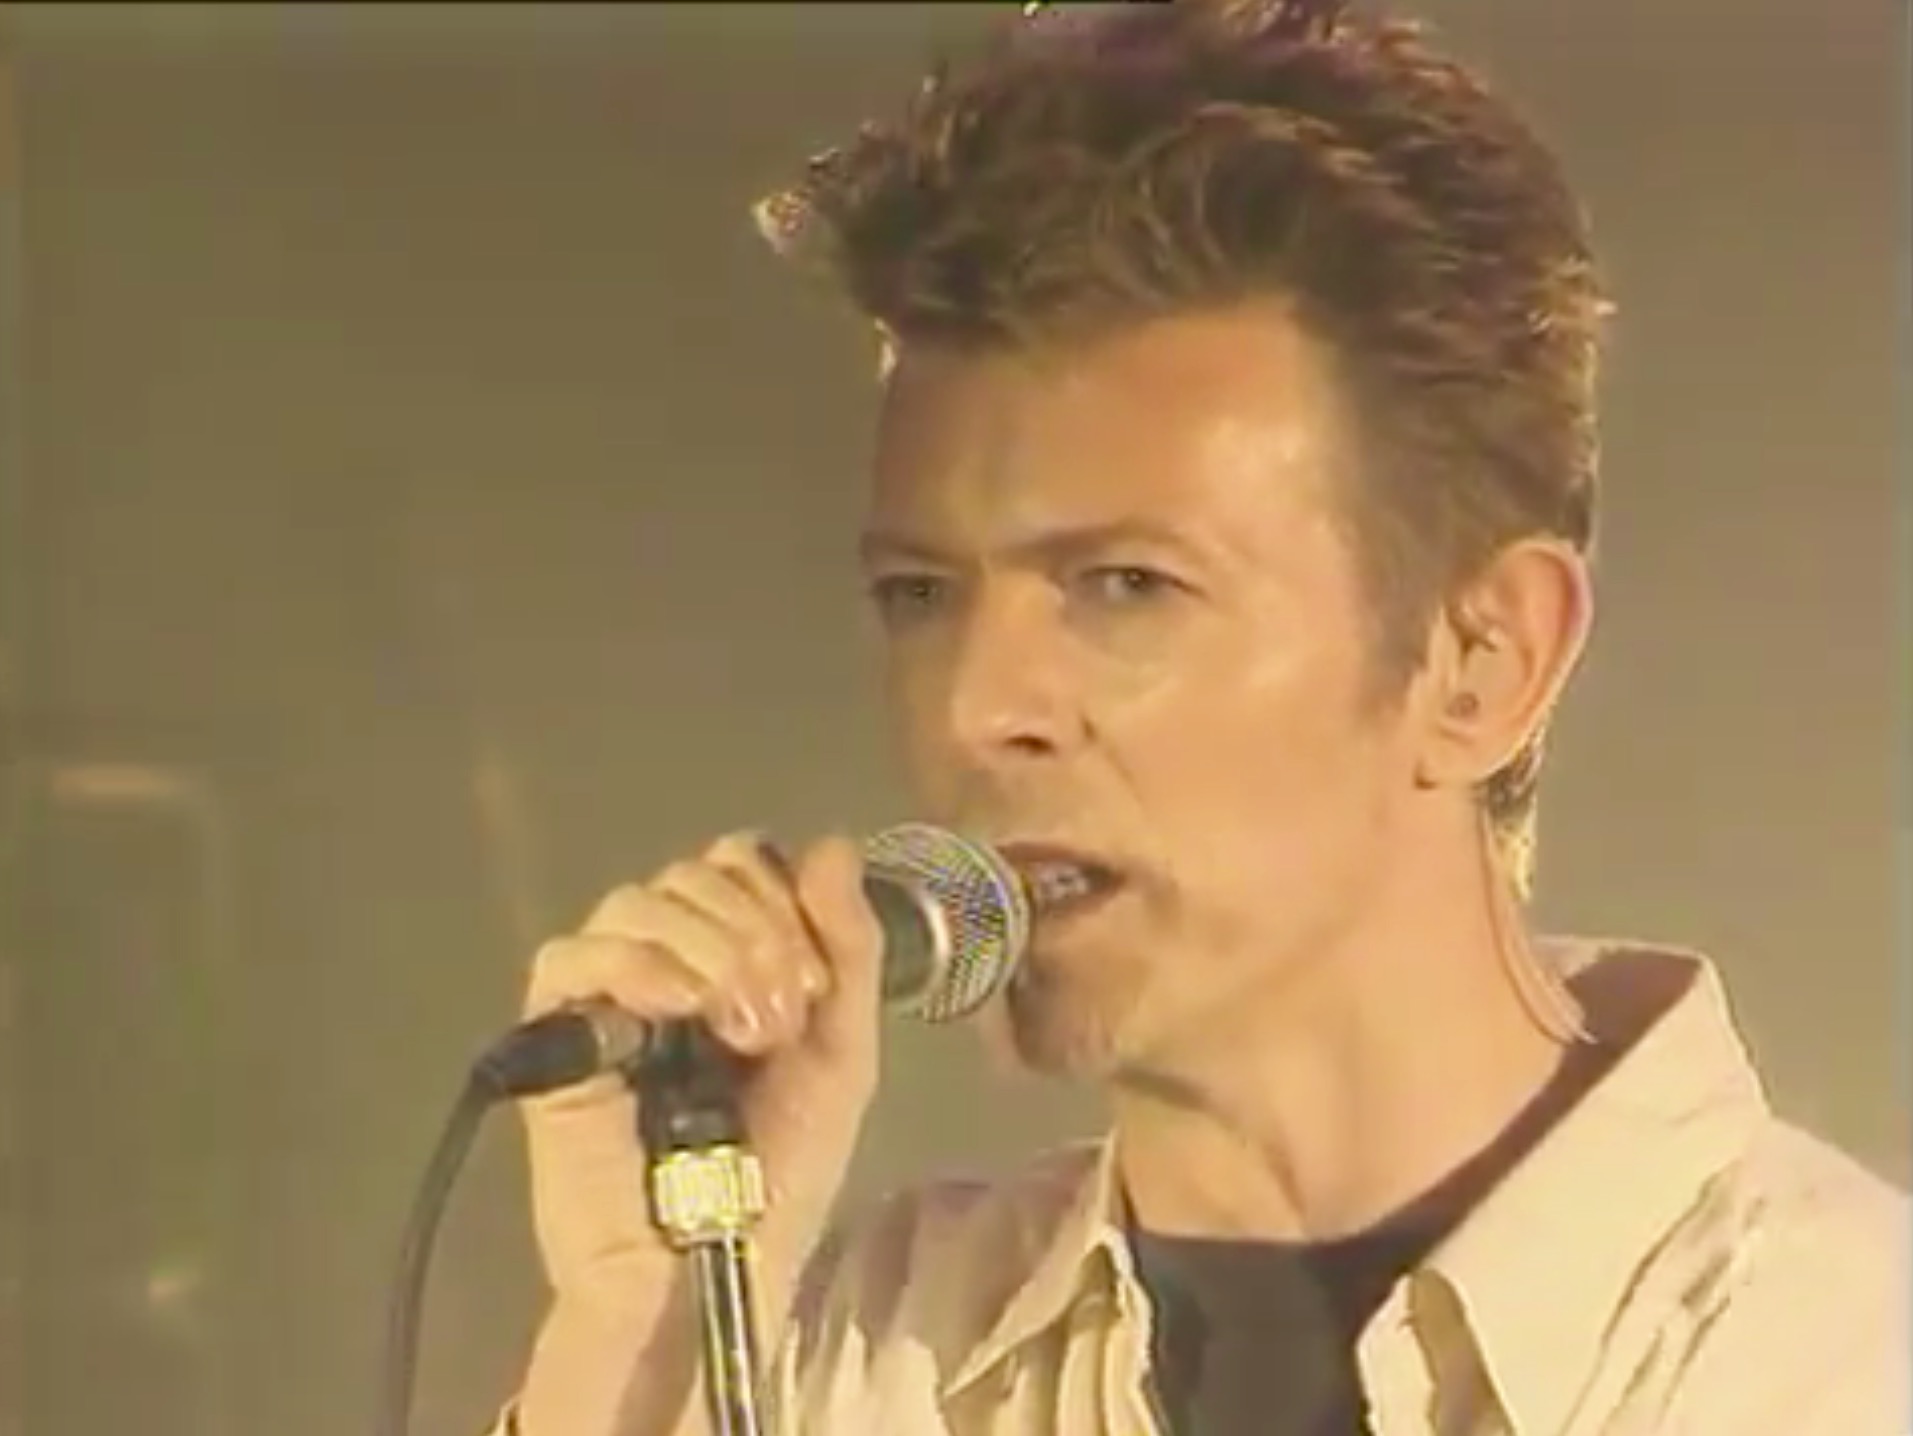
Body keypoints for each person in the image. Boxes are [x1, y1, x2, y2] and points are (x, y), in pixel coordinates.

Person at [488, 2, 1907, 1432]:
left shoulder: (1833, 1363)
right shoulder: (830, 1358)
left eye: (1125, 586)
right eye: (921, 595)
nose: (980, 711)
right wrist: (634, 1340)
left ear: (1481, 660)